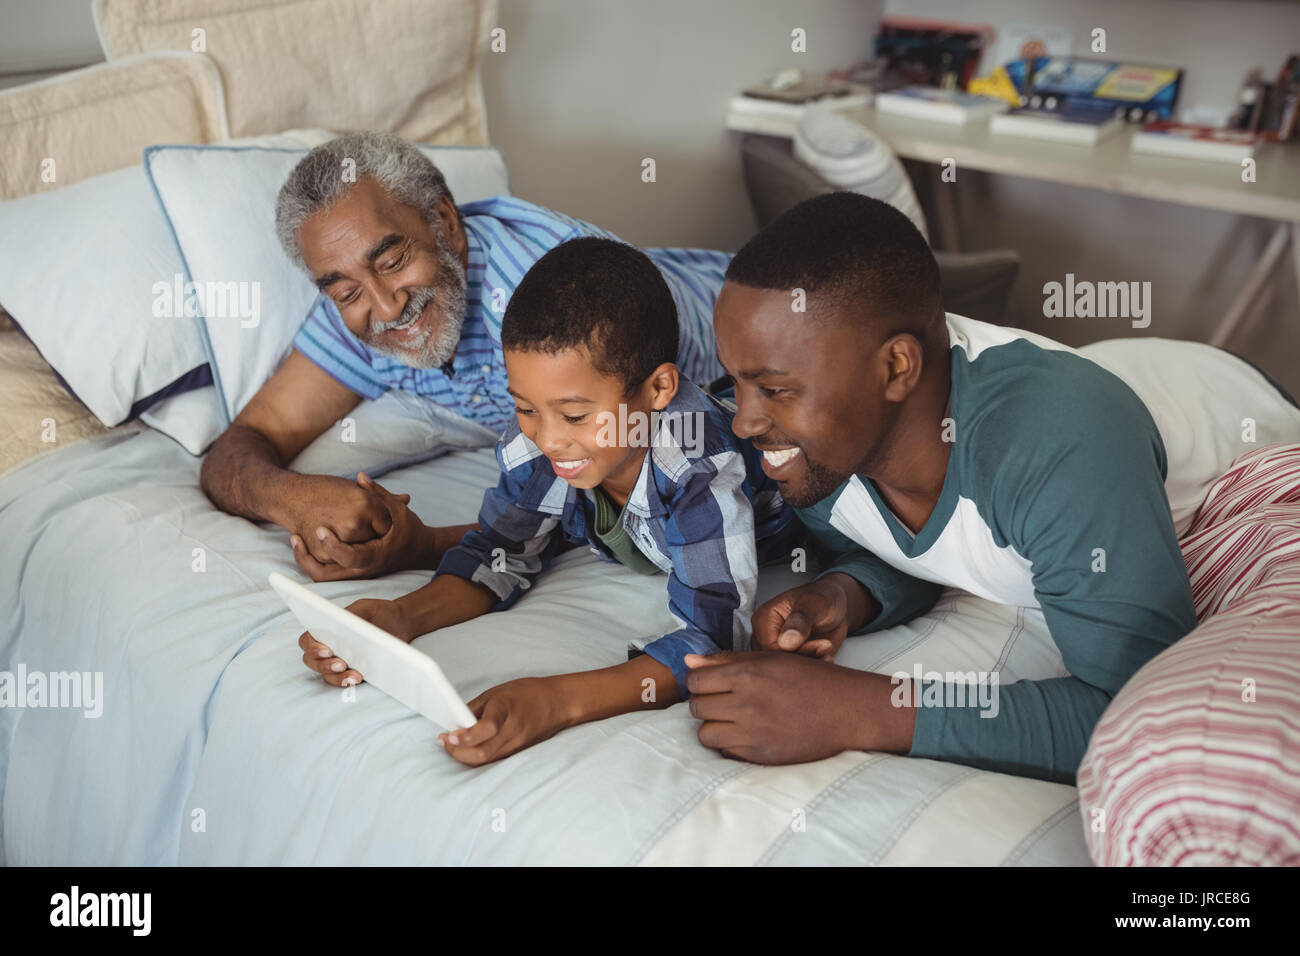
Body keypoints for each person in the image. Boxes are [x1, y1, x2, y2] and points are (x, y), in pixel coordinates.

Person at [687, 190, 1300, 783]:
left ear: (896, 366)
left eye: (775, 389)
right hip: (1109, 384)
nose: (744, 421)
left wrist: (856, 708)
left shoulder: (1054, 444)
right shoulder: (814, 452)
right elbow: (922, 542)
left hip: (1238, 433)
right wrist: (845, 595)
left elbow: (1136, 709)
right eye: (737, 383)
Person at [298, 237, 798, 765]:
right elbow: (501, 553)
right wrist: (400, 619)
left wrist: (555, 701)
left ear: (657, 391)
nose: (549, 439)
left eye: (577, 416)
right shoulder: (541, 441)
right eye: (524, 408)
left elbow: (712, 638)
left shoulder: (698, 463)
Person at [199, 132, 729, 582]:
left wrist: (422, 546)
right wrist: (294, 499)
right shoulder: (357, 316)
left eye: (392, 260)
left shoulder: (555, 302)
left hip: (740, 324)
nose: (386, 307)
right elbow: (239, 448)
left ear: (445, 222)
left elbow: (609, 500)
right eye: (345, 292)